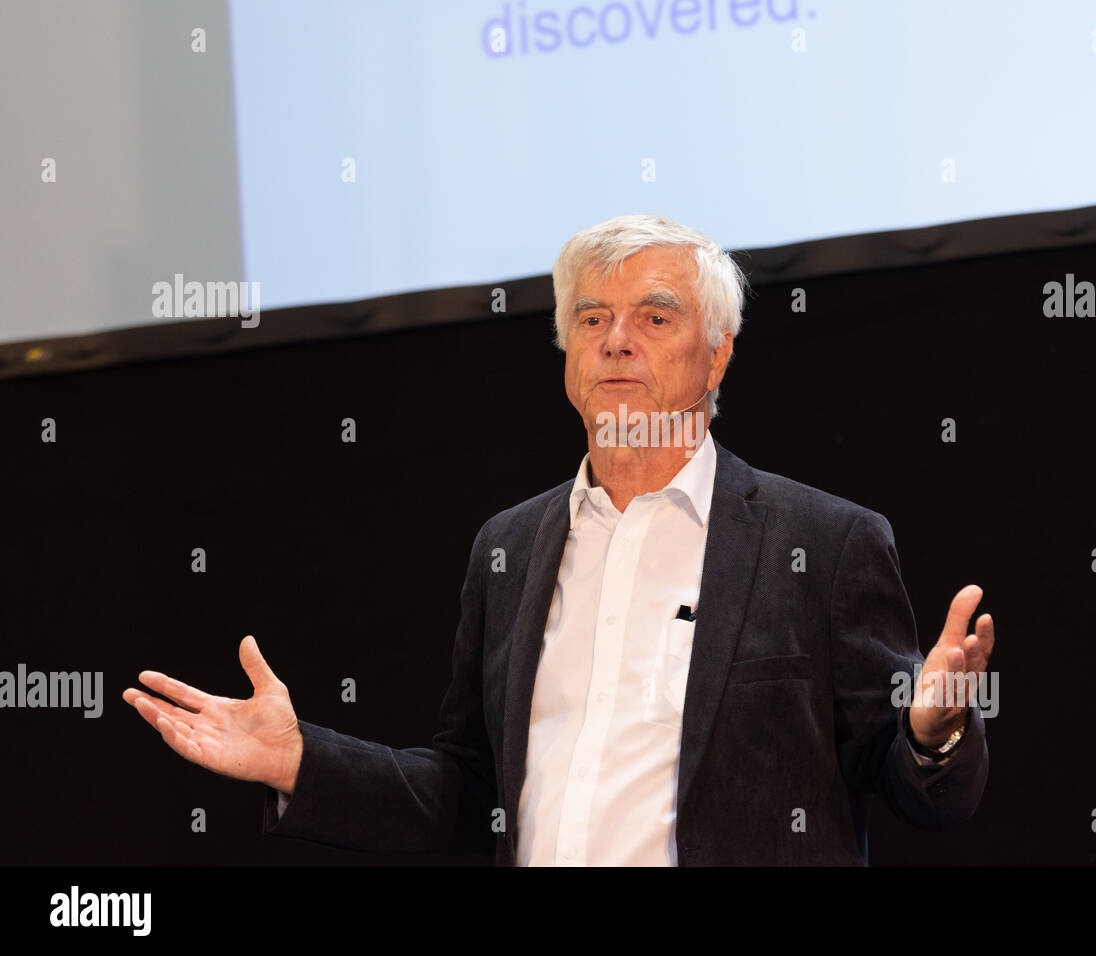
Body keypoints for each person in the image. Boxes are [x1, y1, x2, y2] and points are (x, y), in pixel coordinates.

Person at [124, 214, 995, 866]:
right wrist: (302, 760)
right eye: (590, 319)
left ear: (718, 353)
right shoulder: (507, 549)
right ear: (566, 351)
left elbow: (925, 796)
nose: (616, 340)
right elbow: (467, 793)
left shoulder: (826, 543)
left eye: (655, 318)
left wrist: (936, 733)